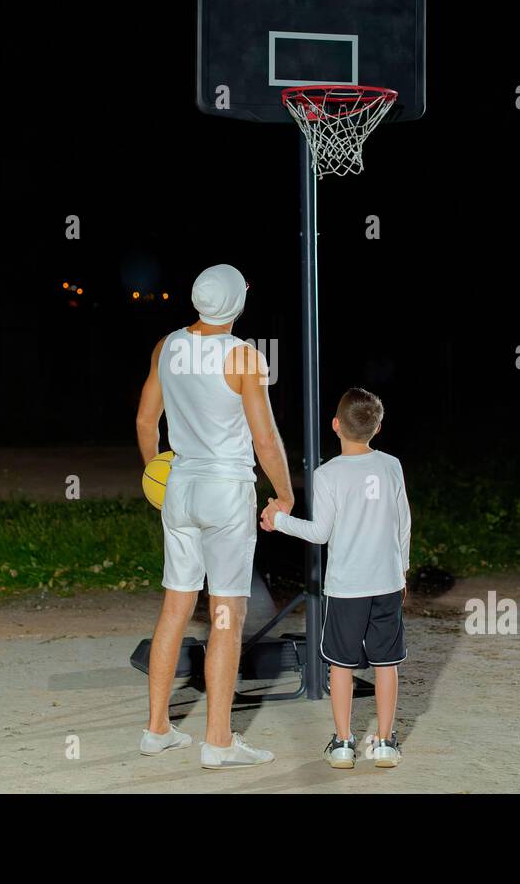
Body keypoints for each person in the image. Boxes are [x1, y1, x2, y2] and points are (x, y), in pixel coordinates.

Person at [135, 263, 295, 769]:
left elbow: (145, 420)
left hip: (181, 487)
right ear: (236, 304)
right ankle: (219, 741)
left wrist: (156, 473)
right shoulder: (245, 357)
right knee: (226, 617)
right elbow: (265, 438)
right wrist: (286, 494)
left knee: (175, 608)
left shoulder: (167, 346)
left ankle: (157, 729)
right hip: (226, 492)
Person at [261, 387, 411, 769]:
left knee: (341, 665)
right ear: (378, 428)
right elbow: (403, 524)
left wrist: (278, 520)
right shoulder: (391, 465)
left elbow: (320, 533)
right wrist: (403, 569)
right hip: (387, 581)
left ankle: (343, 742)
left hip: (347, 586)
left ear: (335, 425)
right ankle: (386, 742)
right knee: (386, 662)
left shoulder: (326, 474)